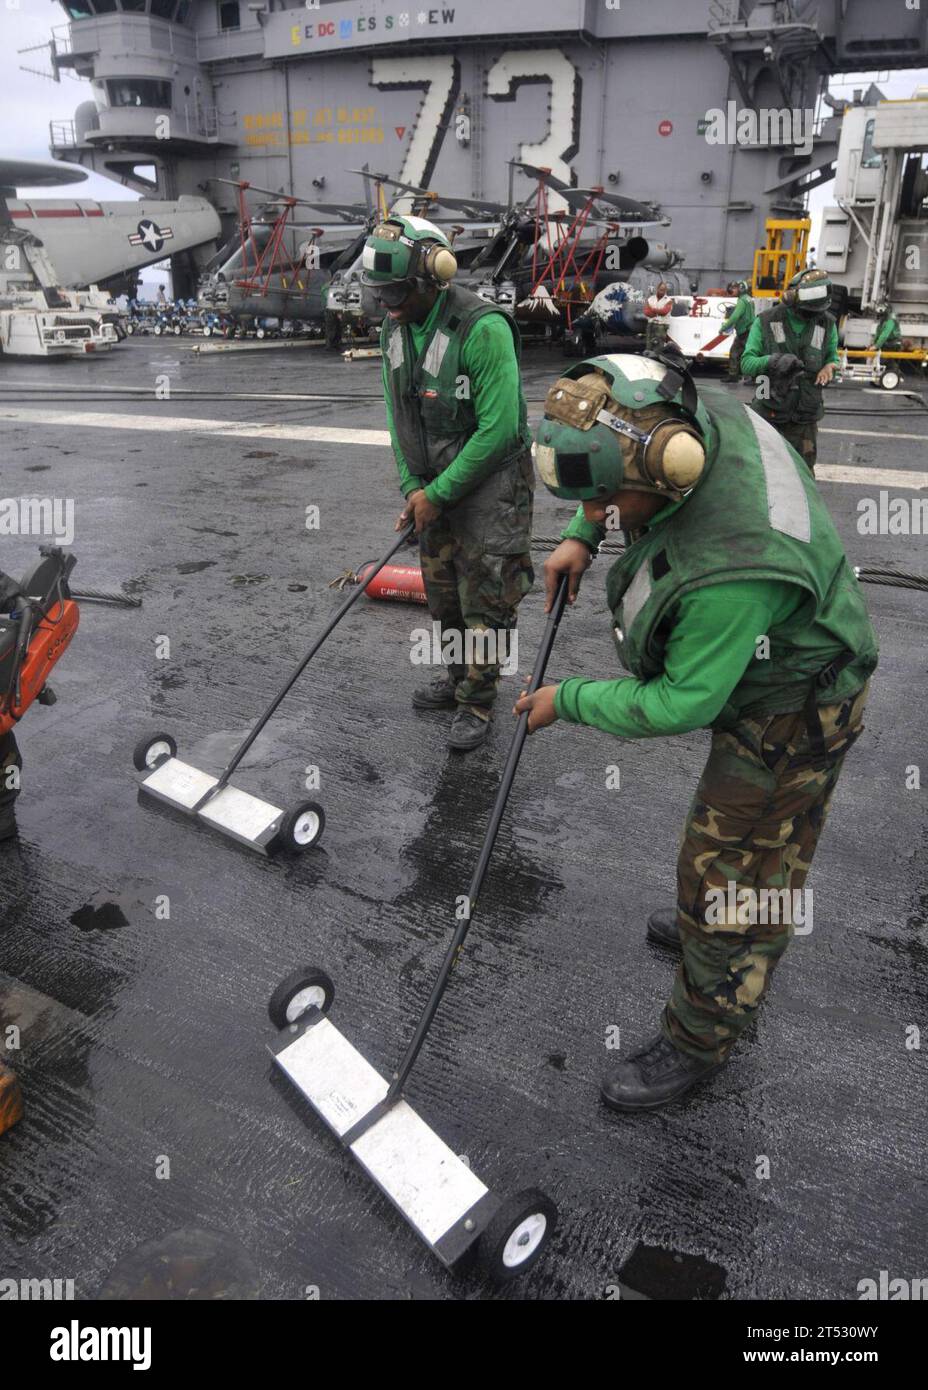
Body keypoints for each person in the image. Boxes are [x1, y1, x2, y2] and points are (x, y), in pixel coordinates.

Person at [516, 350, 878, 1111]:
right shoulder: (679, 420)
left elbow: (682, 702)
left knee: (727, 874)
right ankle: (724, 941)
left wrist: (569, 698)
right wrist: (583, 531)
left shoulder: (731, 570)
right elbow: (616, 449)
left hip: (794, 710)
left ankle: (701, 1035)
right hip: (778, 659)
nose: (610, 509)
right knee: (754, 857)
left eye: (614, 500)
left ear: (661, 478)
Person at [362, 214, 534, 751]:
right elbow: (398, 415)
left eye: (396, 290)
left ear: (435, 276)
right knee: (443, 596)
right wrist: (412, 487)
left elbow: (500, 428)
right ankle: (460, 677)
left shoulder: (482, 328)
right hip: (433, 485)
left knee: (484, 596)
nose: (387, 302)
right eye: (380, 292)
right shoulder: (395, 327)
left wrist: (434, 495)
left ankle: (478, 701)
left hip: (490, 485)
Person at [741, 267, 839, 472]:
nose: (809, 318)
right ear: (791, 299)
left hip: (805, 417)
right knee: (764, 473)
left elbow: (832, 357)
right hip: (768, 413)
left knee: (803, 474)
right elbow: (747, 364)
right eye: (806, 313)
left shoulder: (827, 324)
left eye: (815, 313)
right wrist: (773, 361)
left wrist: (830, 367)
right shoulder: (766, 321)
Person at [721, 279, 754, 380]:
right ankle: (735, 375)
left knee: (738, 353)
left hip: (744, 332)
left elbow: (734, 317)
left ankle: (740, 376)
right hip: (748, 330)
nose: (731, 290)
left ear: (741, 289)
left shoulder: (742, 301)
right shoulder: (749, 299)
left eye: (734, 288)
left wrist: (723, 328)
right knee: (741, 353)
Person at [643, 280, 673, 351]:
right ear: (657, 289)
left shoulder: (669, 301)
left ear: (666, 290)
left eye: (664, 290)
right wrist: (657, 312)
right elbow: (646, 312)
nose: (662, 291)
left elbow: (664, 312)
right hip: (651, 324)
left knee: (658, 346)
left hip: (661, 326)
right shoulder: (650, 299)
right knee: (648, 346)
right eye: (661, 289)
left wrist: (653, 309)